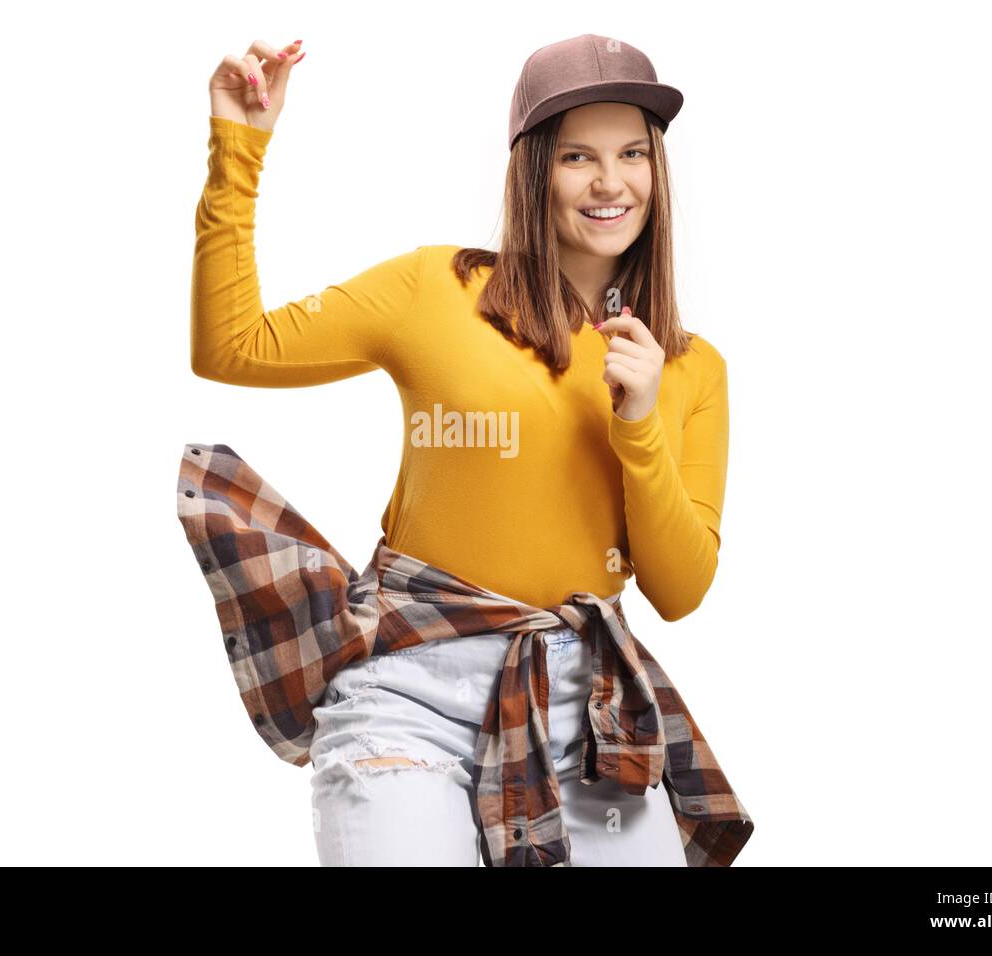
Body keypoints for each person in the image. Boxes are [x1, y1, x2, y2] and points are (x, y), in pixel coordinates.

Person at [190, 34, 729, 866]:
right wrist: (239, 143)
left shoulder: (689, 370)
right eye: (577, 156)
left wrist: (641, 423)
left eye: (632, 154)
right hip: (409, 693)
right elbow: (232, 346)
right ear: (532, 169)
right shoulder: (435, 290)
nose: (609, 183)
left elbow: (680, 589)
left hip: (588, 711)